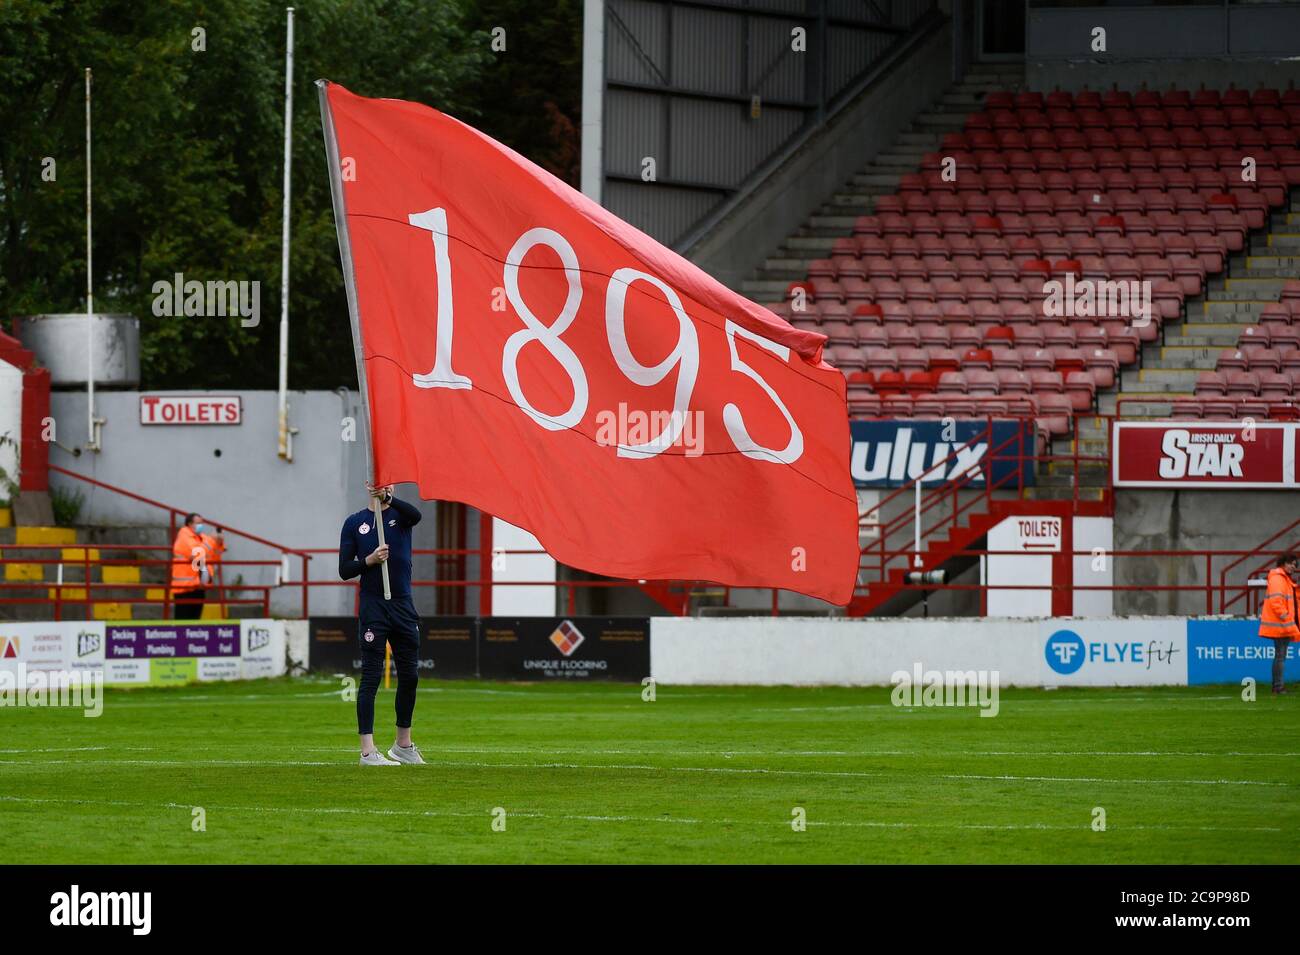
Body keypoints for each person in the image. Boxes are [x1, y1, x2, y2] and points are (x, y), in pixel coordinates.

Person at [338, 483, 425, 766]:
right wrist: (370, 560)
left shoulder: (401, 516)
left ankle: (403, 745)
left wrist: (389, 498)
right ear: (368, 484)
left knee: (410, 676)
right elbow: (345, 569)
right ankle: (367, 751)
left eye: (390, 483)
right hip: (374, 605)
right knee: (372, 677)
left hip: (402, 604)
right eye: (380, 482)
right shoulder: (355, 522)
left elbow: (416, 515)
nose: (385, 486)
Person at [170, 514, 225, 620]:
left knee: (195, 622)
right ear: (190, 524)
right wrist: (211, 541)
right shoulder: (184, 536)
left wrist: (218, 542)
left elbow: (214, 558)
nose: (201, 526)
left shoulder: (202, 538)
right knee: (183, 622)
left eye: (202, 523)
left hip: (199, 585)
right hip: (185, 588)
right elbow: (196, 555)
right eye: (198, 523)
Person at [1258, 552, 1298, 695]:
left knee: (1280, 656)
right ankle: (1278, 687)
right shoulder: (1278, 579)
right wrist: (1286, 618)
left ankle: (1277, 686)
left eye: (1295, 565)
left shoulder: (1282, 579)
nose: (1293, 567)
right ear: (1283, 563)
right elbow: (1277, 602)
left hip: (1282, 624)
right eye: (1291, 564)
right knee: (1280, 656)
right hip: (1281, 625)